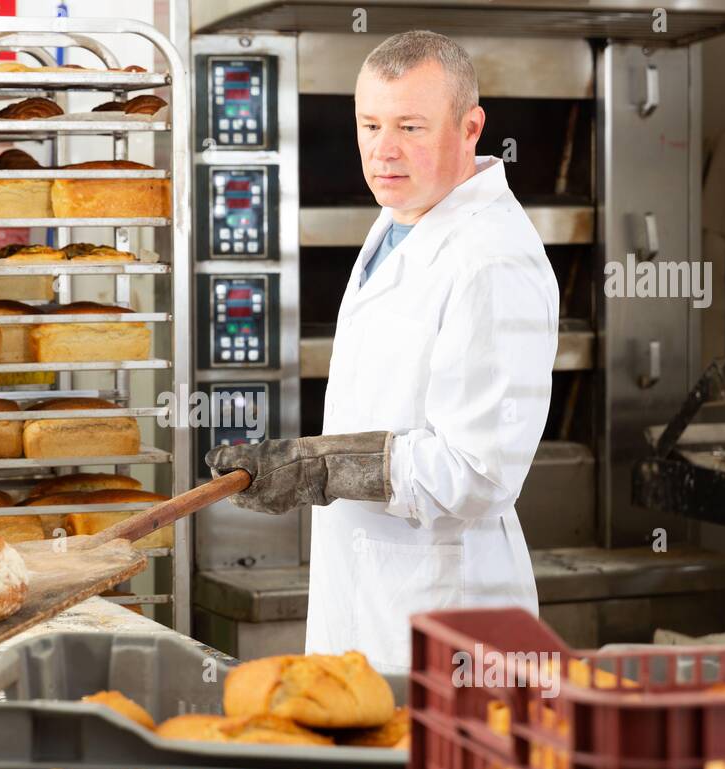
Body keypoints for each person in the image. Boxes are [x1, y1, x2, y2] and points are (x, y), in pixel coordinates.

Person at [205, 30, 558, 672]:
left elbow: (477, 473)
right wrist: (321, 462)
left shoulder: (492, 261)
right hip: (364, 595)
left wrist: (322, 466)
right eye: (370, 124)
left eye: (411, 127)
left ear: (470, 127)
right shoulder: (402, 217)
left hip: (448, 615)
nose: (382, 151)